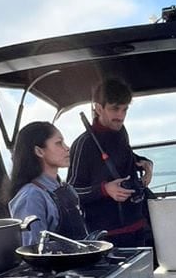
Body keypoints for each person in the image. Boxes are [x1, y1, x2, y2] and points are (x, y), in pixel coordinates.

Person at [66, 76, 155, 249]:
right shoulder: (84, 144)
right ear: (99, 108)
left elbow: (127, 157)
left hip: (137, 228)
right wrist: (104, 189)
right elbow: (72, 193)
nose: (120, 116)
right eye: (115, 109)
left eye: (124, 110)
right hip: (107, 238)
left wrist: (147, 164)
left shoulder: (121, 132)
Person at [6, 121, 89, 248]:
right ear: (39, 151)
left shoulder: (66, 188)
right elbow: (33, 251)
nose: (67, 148)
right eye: (58, 143)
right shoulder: (31, 196)